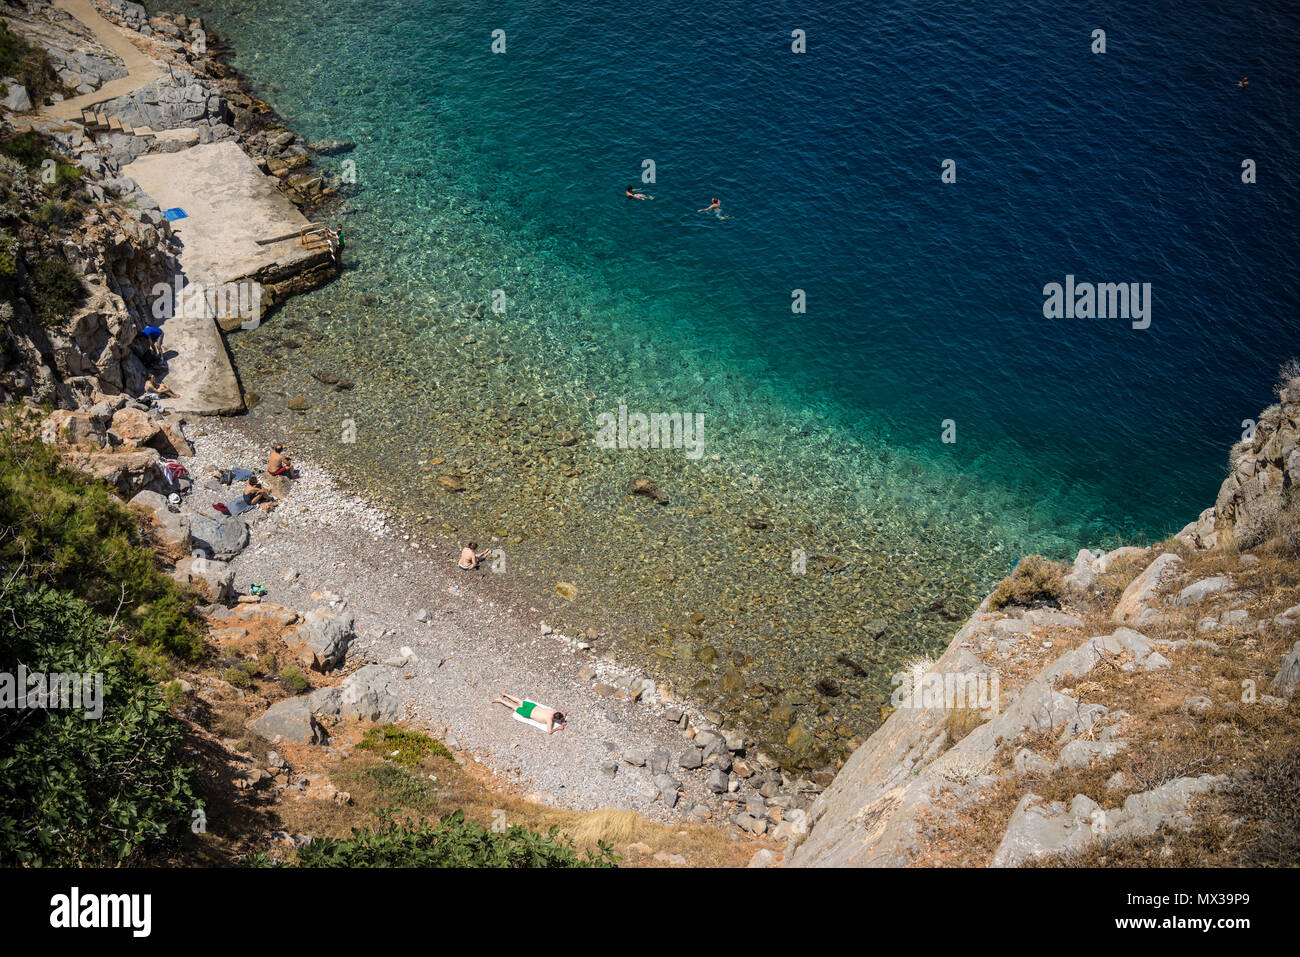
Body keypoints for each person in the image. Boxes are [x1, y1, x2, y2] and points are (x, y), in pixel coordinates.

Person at [491, 692, 566, 734]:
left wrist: (562, 720)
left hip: (532, 707)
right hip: (528, 713)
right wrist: (558, 727)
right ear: (555, 719)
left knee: (518, 700)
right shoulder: (549, 720)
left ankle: (505, 694)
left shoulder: (553, 711)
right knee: (513, 707)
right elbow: (549, 732)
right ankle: (500, 700)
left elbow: (564, 713)